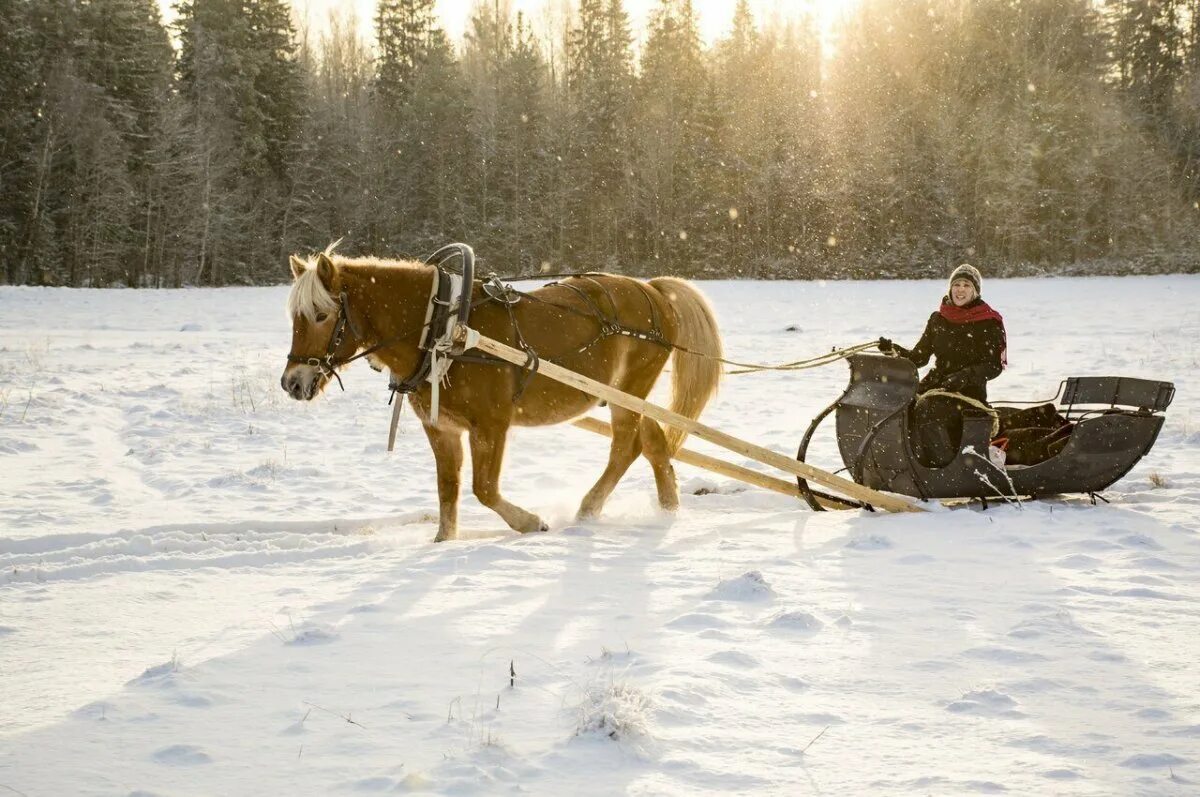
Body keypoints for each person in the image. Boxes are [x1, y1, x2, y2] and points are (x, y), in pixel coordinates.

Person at [878, 264, 1007, 465]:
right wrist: (893, 350)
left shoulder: (988, 322)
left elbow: (994, 366)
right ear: (950, 288)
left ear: (975, 291)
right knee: (903, 406)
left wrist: (964, 376)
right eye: (956, 284)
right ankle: (908, 462)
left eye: (966, 285)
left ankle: (943, 468)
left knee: (929, 409)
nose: (960, 289)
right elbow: (919, 357)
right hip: (936, 386)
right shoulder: (938, 319)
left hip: (968, 392)